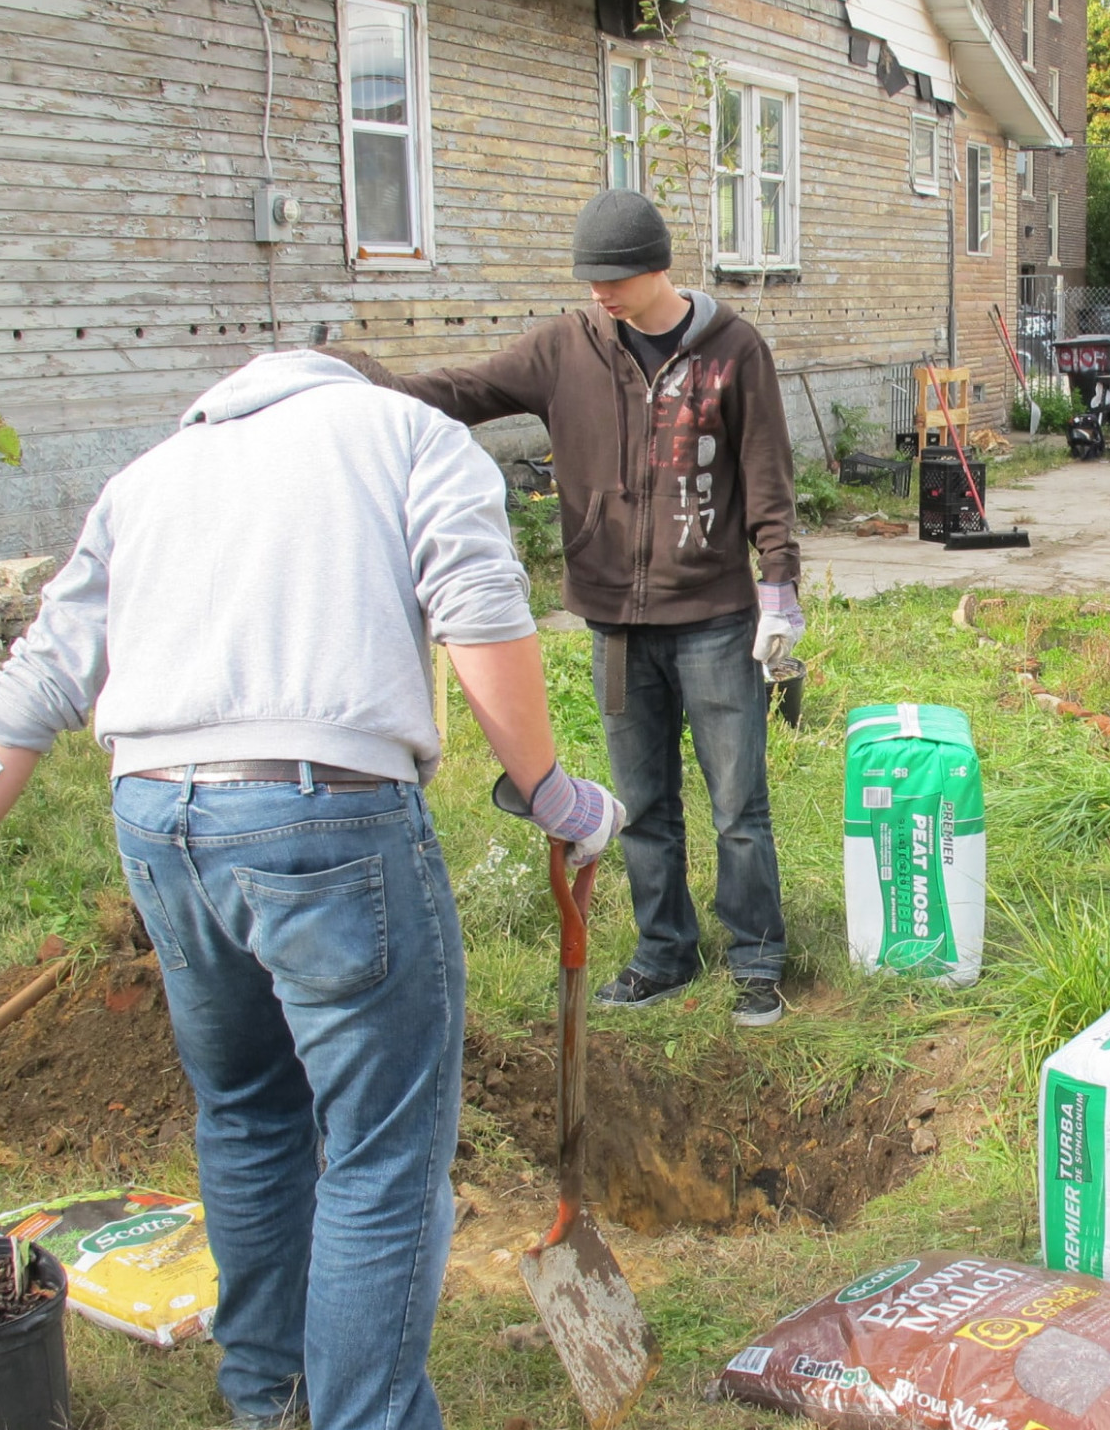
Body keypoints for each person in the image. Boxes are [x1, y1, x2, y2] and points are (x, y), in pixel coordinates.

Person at [0, 347, 624, 1430]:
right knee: (381, 1151)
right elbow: (479, 616)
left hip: (157, 818)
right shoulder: (414, 439)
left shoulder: (149, 476)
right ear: (366, 389)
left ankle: (270, 1387)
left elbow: (39, 682)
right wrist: (551, 794)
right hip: (323, 818)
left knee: (249, 1111)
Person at [341, 190, 801, 1026]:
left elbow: (768, 478)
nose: (601, 294)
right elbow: (461, 390)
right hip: (616, 628)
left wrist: (781, 596)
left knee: (739, 804)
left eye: (616, 278)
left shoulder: (733, 351)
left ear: (658, 267)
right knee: (642, 805)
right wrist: (366, 384)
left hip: (715, 619)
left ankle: (757, 960)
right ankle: (663, 953)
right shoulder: (565, 348)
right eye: (591, 279)